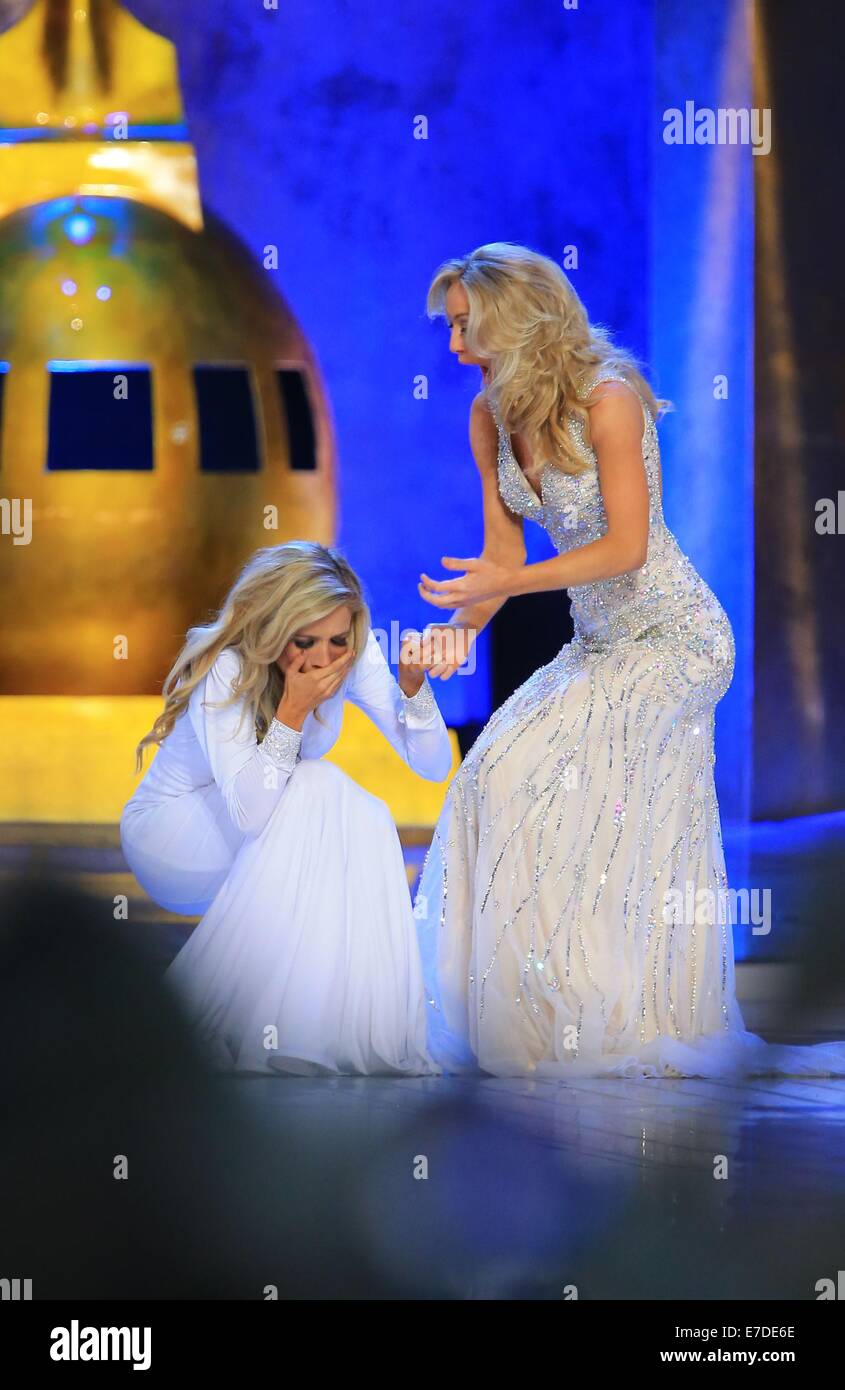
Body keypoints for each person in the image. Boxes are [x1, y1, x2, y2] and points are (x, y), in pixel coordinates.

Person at [411, 241, 845, 1080]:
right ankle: (540, 1009)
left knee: (588, 787)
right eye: (452, 330)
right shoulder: (487, 416)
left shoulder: (609, 402)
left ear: (516, 318)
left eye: (465, 328)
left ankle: (624, 1013)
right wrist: (458, 633)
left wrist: (513, 579)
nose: (455, 348)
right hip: (601, 642)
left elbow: (626, 547)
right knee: (494, 771)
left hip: (677, 639)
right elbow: (500, 554)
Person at [120, 541, 453, 1077]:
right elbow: (251, 811)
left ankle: (324, 1027)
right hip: (173, 837)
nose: (324, 658)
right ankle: (241, 1025)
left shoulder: (353, 653)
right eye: (304, 642)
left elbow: (434, 766)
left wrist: (413, 692)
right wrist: (293, 712)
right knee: (316, 783)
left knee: (366, 813)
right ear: (274, 631)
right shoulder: (227, 669)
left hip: (254, 826)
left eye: (336, 640)